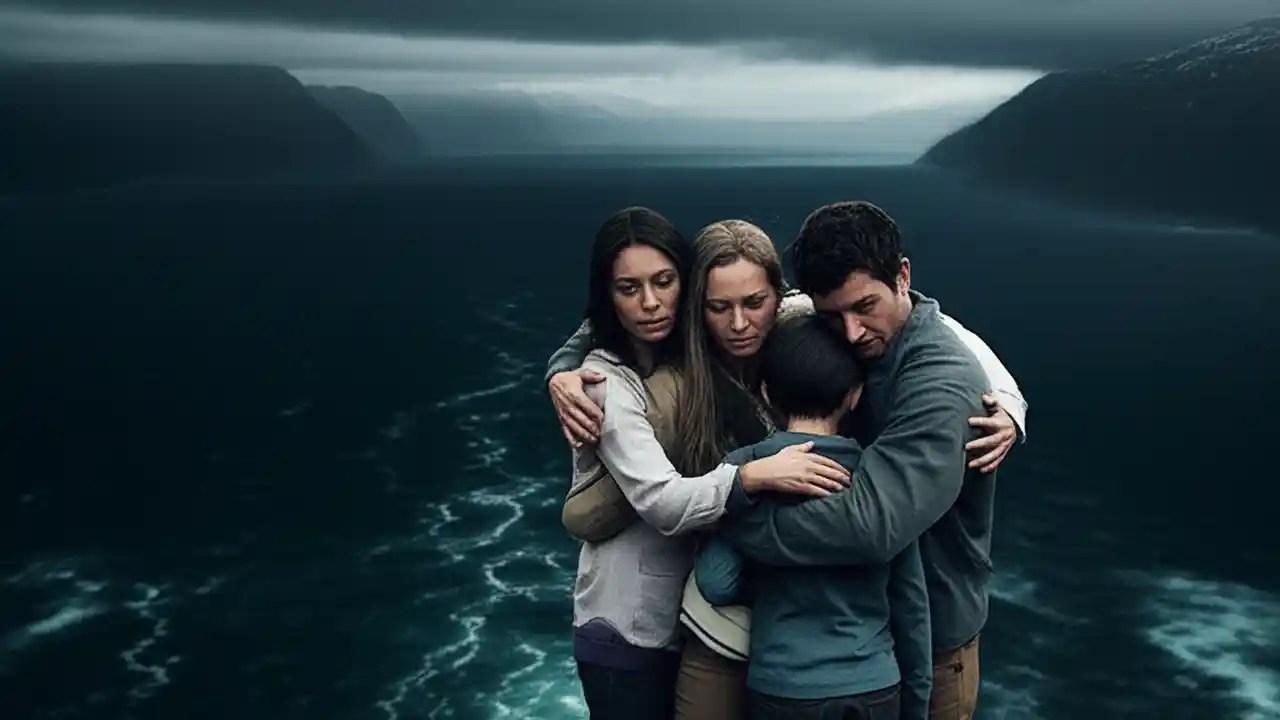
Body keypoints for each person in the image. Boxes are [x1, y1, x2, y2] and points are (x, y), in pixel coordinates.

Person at [547, 218, 1027, 720]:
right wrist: (563, 367)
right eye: (719, 307)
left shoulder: (832, 335)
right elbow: (622, 317)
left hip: (891, 640)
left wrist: (1009, 404)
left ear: (779, 298)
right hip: (733, 639)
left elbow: (943, 338)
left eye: (755, 303)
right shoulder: (669, 370)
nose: (739, 323)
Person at [565, 207, 852, 720]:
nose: (650, 302)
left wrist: (1003, 400)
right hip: (631, 631)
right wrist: (752, 476)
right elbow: (661, 502)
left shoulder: (750, 330)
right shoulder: (605, 380)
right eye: (628, 288)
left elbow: (896, 311)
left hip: (707, 627)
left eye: (663, 281)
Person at [722, 201, 1005, 720]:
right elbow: (688, 312)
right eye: (833, 316)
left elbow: (870, 526)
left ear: (903, 277)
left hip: (933, 650)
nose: (852, 332)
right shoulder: (853, 334)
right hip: (858, 648)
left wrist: (734, 510)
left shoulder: (941, 384)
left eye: (865, 307)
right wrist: (571, 362)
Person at [697, 313, 932, 720]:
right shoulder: (880, 477)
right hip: (874, 683)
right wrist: (917, 702)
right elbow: (911, 604)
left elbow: (716, 582)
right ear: (855, 394)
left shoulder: (747, 470)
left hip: (783, 685)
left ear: (766, 393)